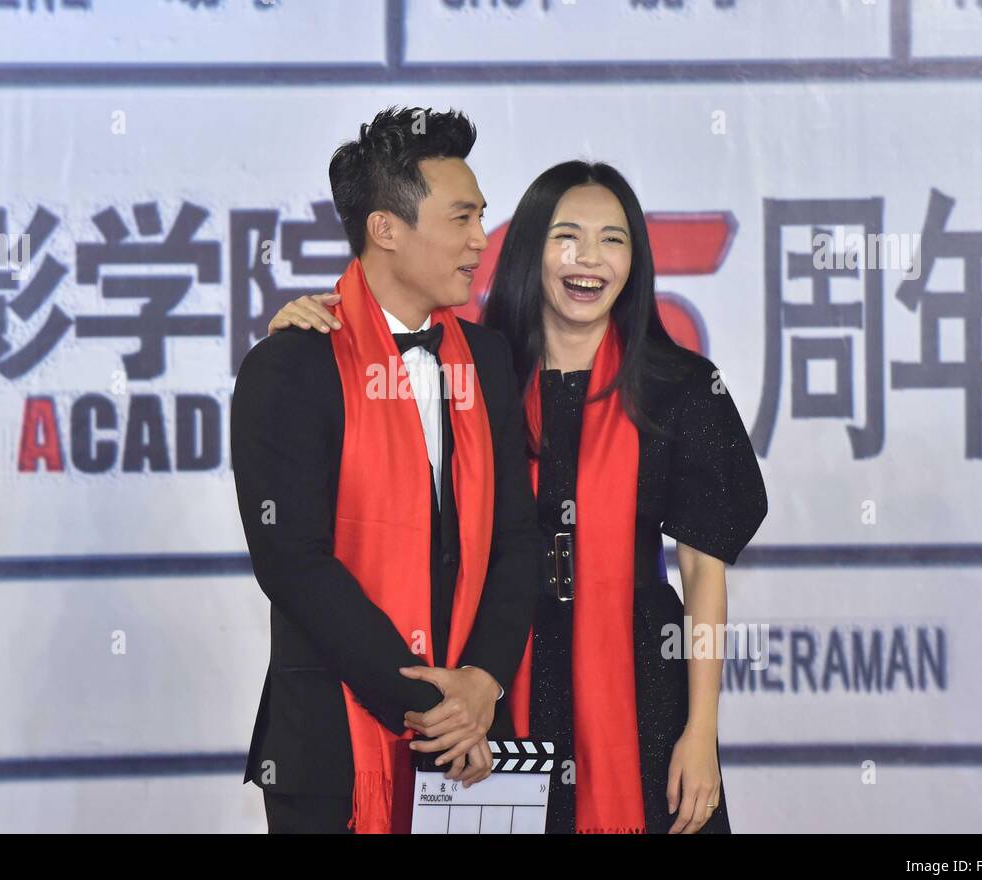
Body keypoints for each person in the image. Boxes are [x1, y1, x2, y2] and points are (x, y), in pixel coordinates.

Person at [268, 159, 768, 833]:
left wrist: (701, 731)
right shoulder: (476, 367)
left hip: (642, 685)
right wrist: (312, 324)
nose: (590, 259)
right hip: (498, 670)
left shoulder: (682, 387)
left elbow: (703, 573)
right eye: (568, 237)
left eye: (614, 240)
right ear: (531, 249)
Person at [230, 107, 539, 834]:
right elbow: (293, 562)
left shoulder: (488, 360)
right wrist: (434, 711)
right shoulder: (292, 363)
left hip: (475, 738)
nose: (480, 239)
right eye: (462, 218)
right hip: (334, 748)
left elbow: (517, 540)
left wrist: (483, 685)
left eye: (482, 217)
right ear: (386, 229)